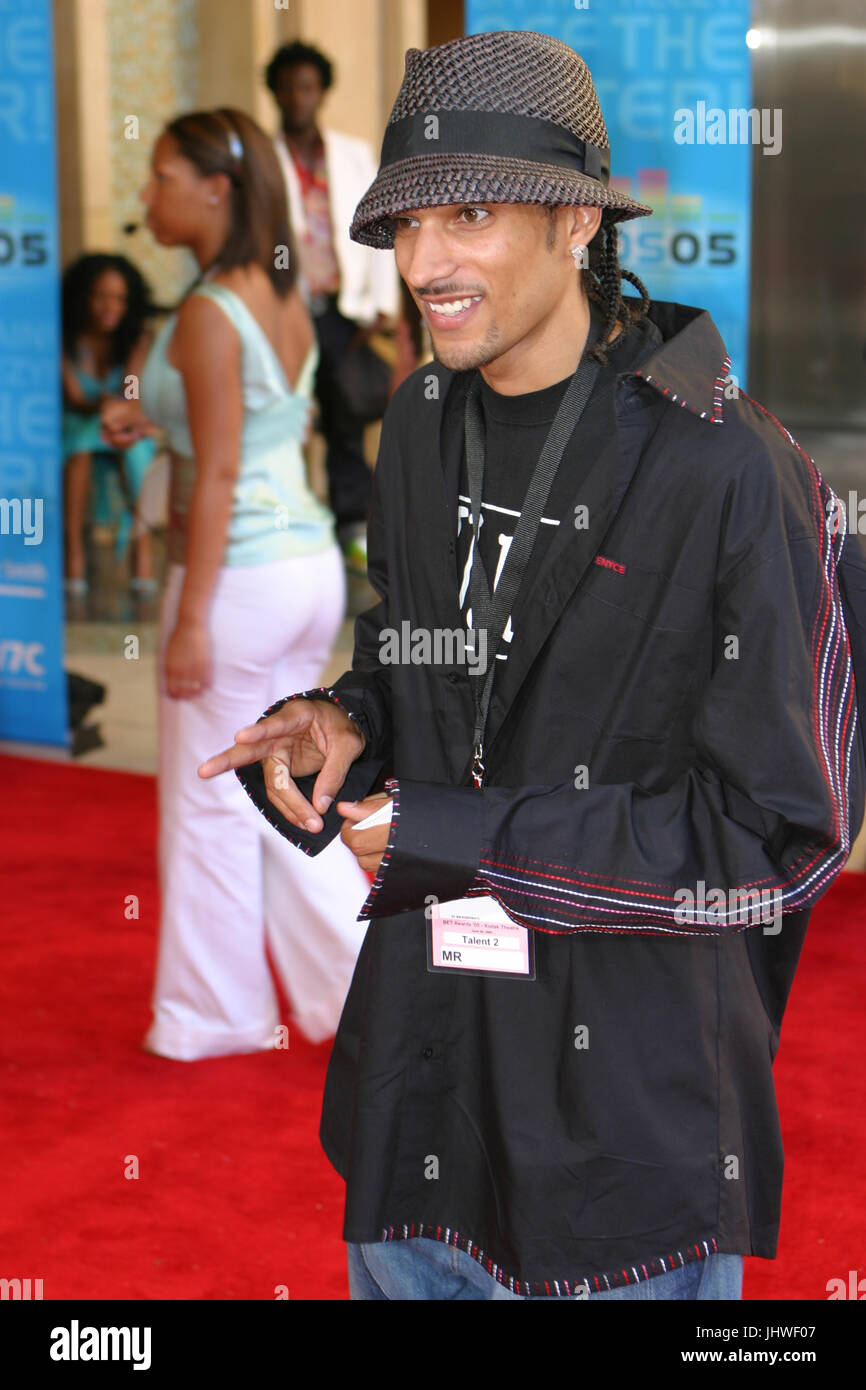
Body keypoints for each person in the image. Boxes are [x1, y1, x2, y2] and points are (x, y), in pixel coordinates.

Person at [199, 31, 866, 1298]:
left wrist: (458, 835)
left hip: (621, 1135)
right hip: (423, 1095)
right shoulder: (415, 420)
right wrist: (347, 717)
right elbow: (417, 655)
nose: (425, 263)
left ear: (574, 223)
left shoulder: (726, 468)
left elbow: (780, 836)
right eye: (403, 223)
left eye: (469, 213)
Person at [101, 106, 369, 1060]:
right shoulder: (273, 292)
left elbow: (216, 474)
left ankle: (214, 1016)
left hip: (239, 581)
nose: (147, 196)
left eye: (162, 176)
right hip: (300, 569)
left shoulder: (213, 312)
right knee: (278, 791)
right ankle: (369, 993)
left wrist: (188, 622)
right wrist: (148, 423)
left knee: (213, 804)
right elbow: (247, 437)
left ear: (217, 187)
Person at [265, 40, 400, 572]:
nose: (298, 97)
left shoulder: (351, 153)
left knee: (345, 419)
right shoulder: (260, 156)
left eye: (308, 86)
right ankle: (291, 520)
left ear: (321, 92)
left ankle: (353, 525)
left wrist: (380, 303)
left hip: (345, 311)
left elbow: (378, 227)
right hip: (288, 311)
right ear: (274, 91)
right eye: (289, 86)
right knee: (285, 417)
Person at [61, 252, 157, 596]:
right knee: (82, 444)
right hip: (80, 420)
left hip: (120, 422)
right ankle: (73, 556)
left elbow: (132, 390)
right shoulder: (64, 338)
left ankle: (142, 553)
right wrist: (102, 405)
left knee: (136, 452)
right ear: (82, 296)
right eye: (101, 295)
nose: (110, 306)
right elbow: (75, 397)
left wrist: (119, 412)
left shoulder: (135, 338)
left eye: (119, 297)